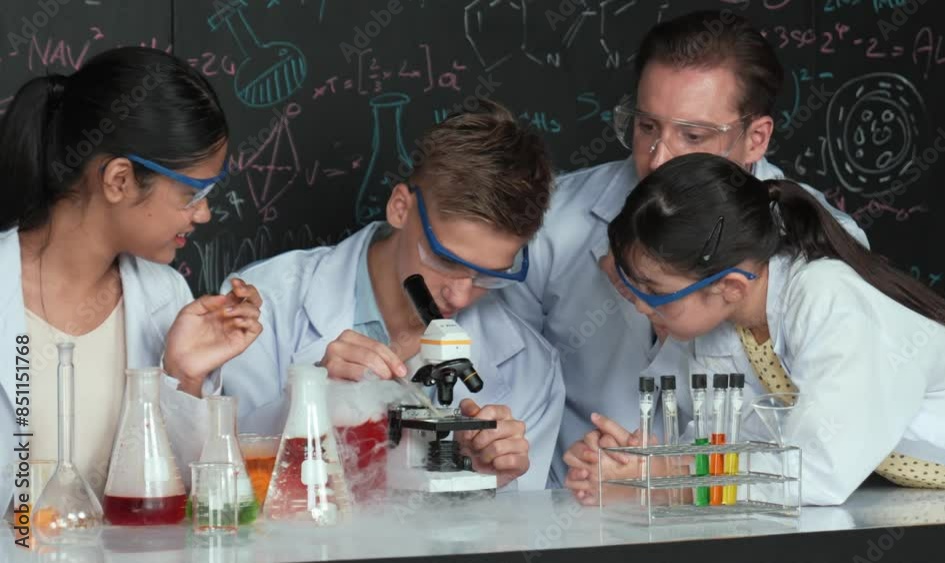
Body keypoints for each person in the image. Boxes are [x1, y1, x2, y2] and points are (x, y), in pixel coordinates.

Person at [498, 10, 870, 487]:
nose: (658, 158)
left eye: (692, 136)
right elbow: (500, 381)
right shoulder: (550, 223)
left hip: (745, 531)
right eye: (647, 127)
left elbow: (821, 456)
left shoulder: (824, 254)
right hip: (569, 514)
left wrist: (660, 475)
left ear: (755, 138)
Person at [577, 152, 945, 505]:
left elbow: (815, 470)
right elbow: (727, 452)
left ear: (728, 287)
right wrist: (640, 463)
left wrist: (670, 477)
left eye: (652, 290)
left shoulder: (827, 298)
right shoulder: (729, 323)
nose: (638, 303)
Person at [221, 101, 565, 491]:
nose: (461, 295)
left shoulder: (531, 367)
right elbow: (221, 478)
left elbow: (519, 538)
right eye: (446, 260)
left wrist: (480, 484)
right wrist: (311, 397)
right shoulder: (268, 301)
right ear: (401, 208)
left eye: (490, 275)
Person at [0, 47, 264, 506]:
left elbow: (184, 504)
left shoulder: (166, 296)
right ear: (119, 179)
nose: (203, 214)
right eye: (191, 193)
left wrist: (184, 378)